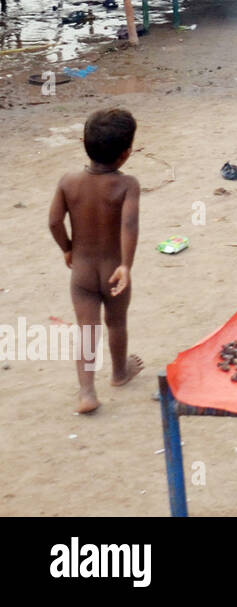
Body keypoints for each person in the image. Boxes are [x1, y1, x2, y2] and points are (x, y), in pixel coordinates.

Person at [48, 108, 143, 414]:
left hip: (82, 272)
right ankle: (119, 372)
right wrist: (125, 265)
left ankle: (87, 392)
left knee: (87, 329)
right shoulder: (127, 184)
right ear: (126, 153)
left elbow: (53, 221)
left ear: (82, 142)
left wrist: (67, 248)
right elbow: (129, 225)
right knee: (116, 322)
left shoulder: (68, 182)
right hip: (114, 270)